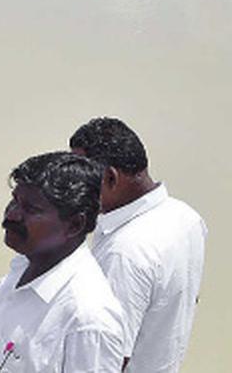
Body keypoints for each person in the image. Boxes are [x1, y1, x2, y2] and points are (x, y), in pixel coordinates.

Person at [0, 152, 125, 372]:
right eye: (15, 200)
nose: (12, 215)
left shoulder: (88, 318)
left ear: (74, 225)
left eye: (31, 209)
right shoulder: (18, 273)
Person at [69, 117, 206, 373]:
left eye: (83, 179)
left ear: (110, 178)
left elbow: (107, 359)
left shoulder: (124, 252)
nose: (76, 188)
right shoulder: (187, 217)